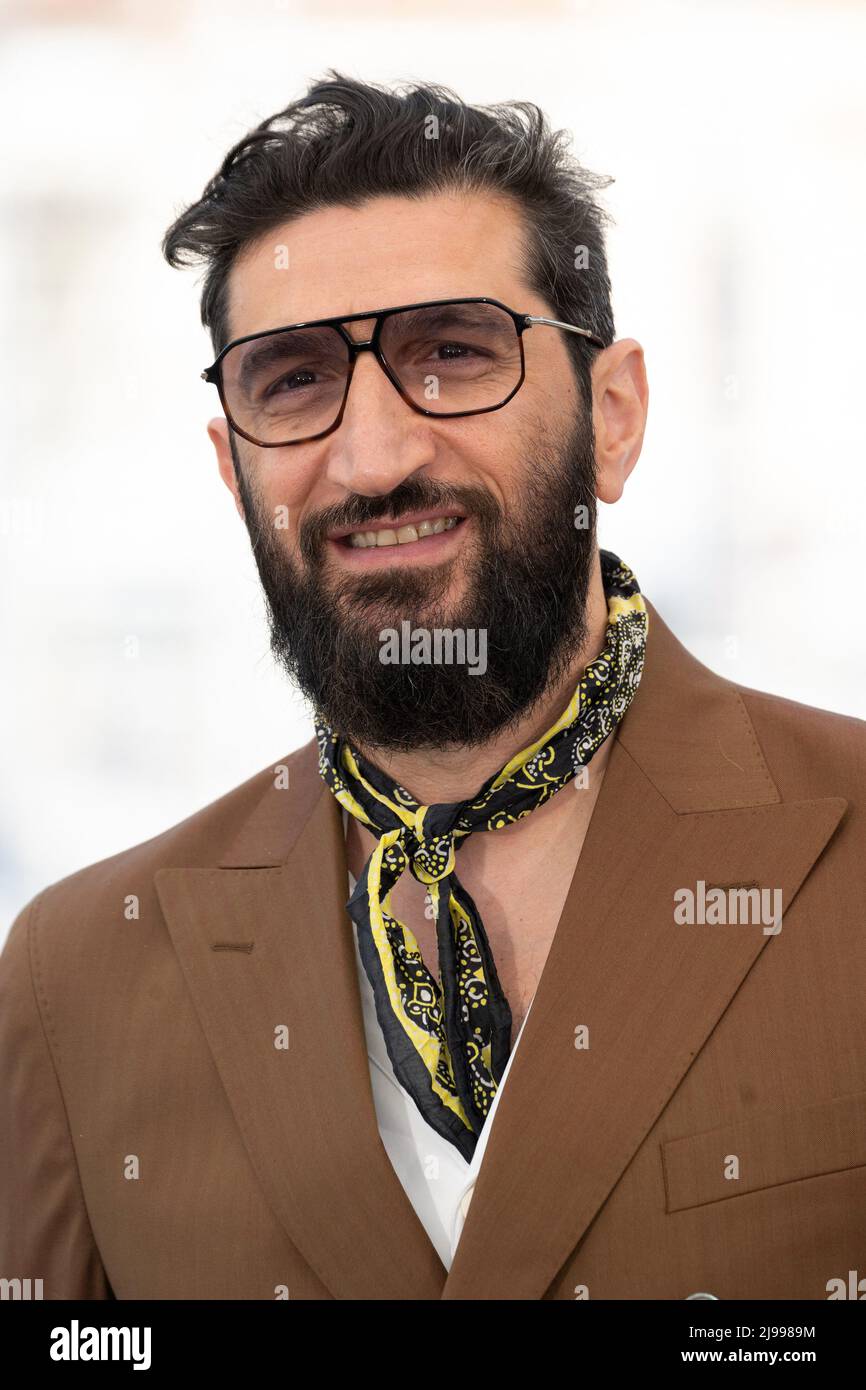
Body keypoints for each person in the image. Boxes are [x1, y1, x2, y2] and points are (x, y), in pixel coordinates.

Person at [1, 71, 864, 1302]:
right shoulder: (75, 977)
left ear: (610, 418)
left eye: (453, 355)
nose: (373, 455)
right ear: (232, 468)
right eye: (292, 381)